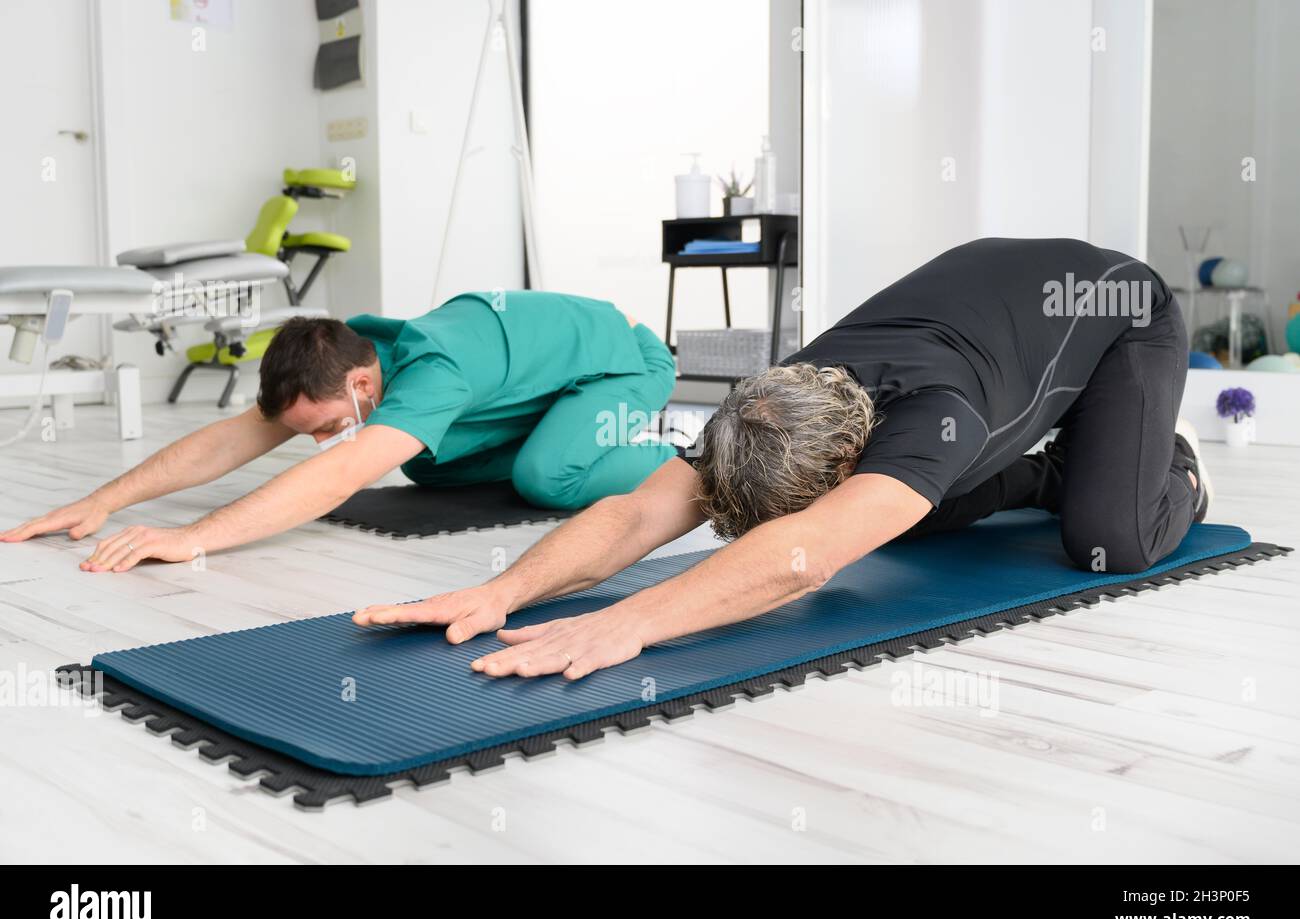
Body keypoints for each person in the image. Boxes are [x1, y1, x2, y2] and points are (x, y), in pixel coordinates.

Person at [351, 238, 1211, 681]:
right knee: (908, 522)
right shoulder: (766, 406)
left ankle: (1160, 461)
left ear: (853, 453)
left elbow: (805, 561)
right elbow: (639, 512)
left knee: (1111, 538)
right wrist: (502, 589)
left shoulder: (930, 420)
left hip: (1118, 307)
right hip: (990, 296)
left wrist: (632, 621)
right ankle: (1064, 467)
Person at [1, 290, 677, 571]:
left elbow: (341, 475)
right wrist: (104, 499)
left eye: (324, 428)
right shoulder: (351, 354)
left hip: (622, 366)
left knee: (545, 478)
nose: (322, 440)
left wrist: (193, 538)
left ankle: (681, 454)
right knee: (424, 464)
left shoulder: (435, 370)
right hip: (541, 385)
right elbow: (231, 438)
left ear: (359, 388)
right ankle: (562, 438)